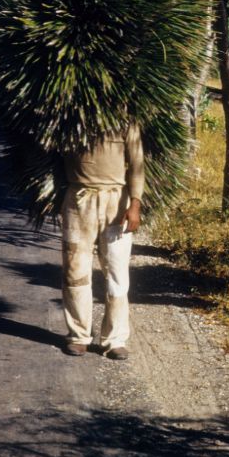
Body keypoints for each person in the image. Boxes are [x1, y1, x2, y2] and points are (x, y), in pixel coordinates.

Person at [60, 122, 145, 360]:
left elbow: (137, 163)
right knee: (74, 270)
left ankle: (115, 340)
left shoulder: (126, 116)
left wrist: (135, 204)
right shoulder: (69, 111)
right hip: (77, 199)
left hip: (116, 202)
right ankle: (78, 336)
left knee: (117, 273)